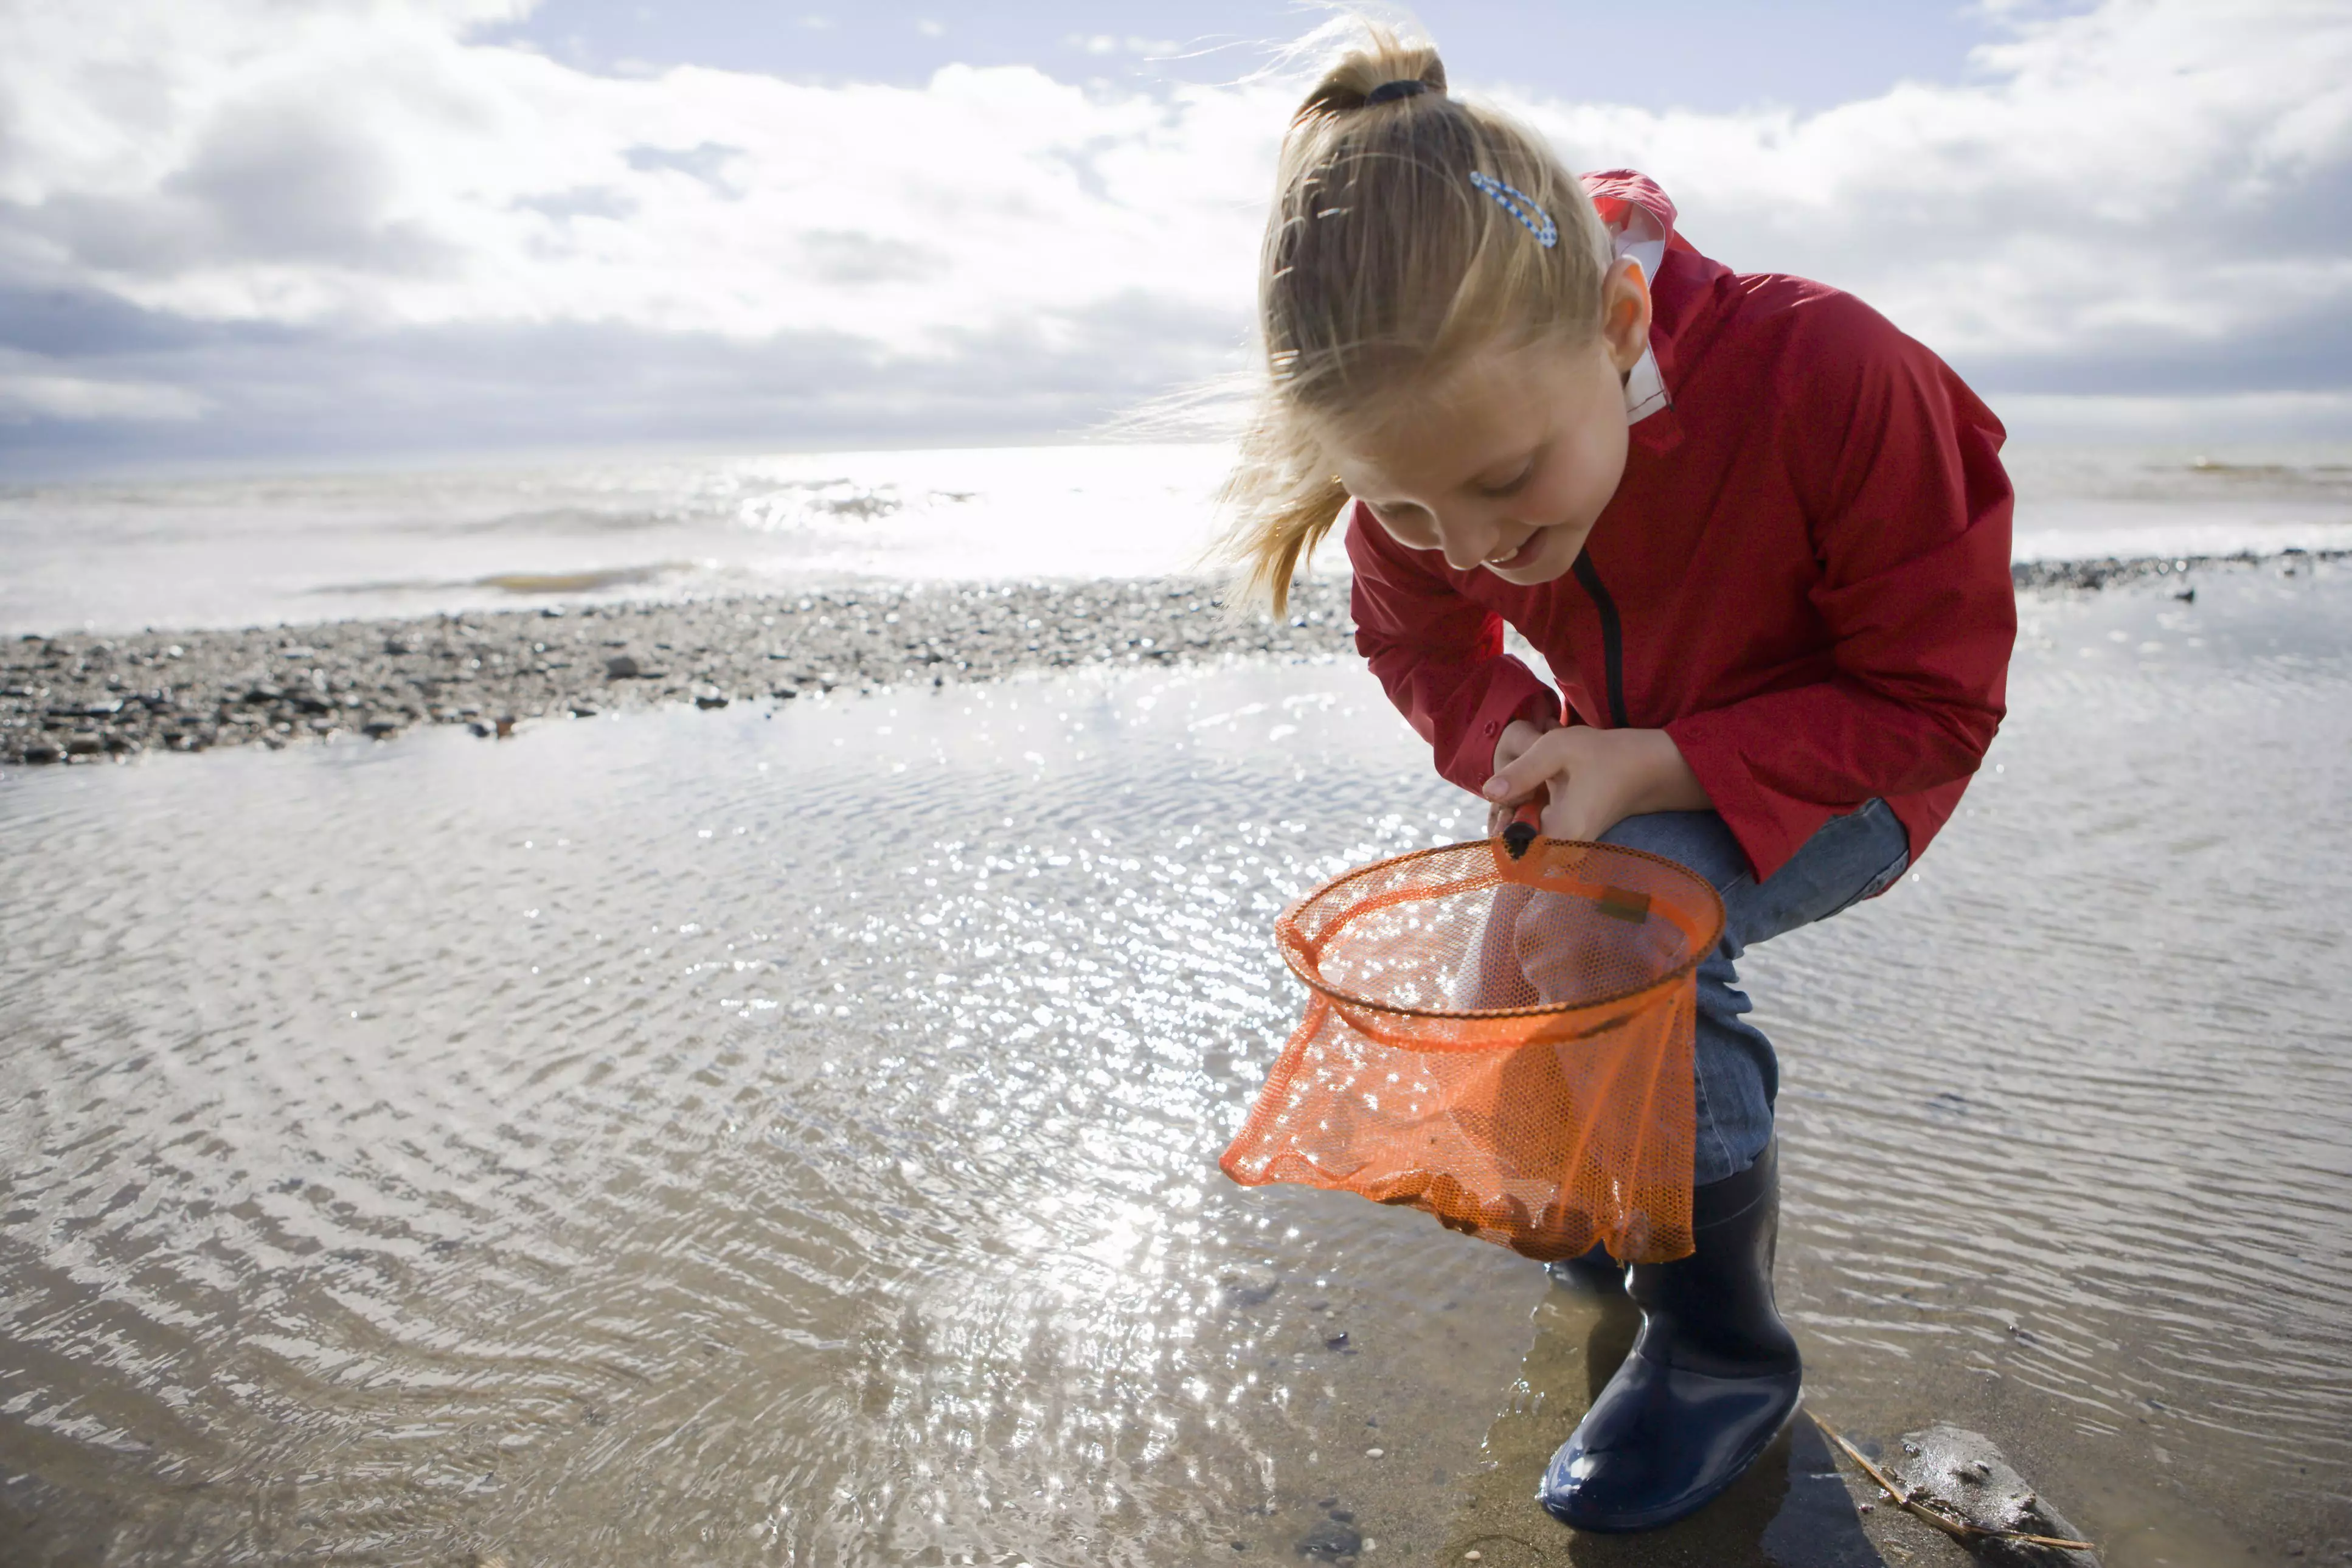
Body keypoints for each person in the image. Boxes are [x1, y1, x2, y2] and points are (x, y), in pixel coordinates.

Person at [1215, 26, 2016, 1535]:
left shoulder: (1828, 372)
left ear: (1620, 315)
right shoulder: (1441, 451)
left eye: (1506, 486)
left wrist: (1660, 756)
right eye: (1401, 502)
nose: (1466, 544)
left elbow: (1931, 692)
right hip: (1631, 760)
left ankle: (1721, 1348)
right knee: (1515, 955)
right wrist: (1513, 738)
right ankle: (1624, 1224)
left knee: (1627, 940)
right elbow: (1416, 633)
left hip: (1858, 758)